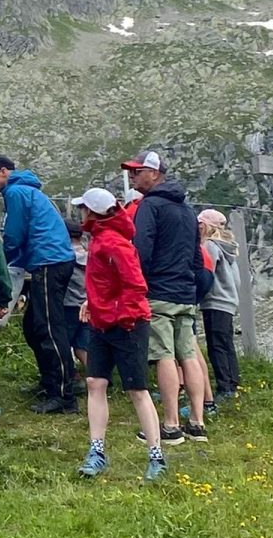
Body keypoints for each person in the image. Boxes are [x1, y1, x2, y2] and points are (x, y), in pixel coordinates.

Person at [70, 188, 167, 482]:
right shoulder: (101, 238)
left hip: (127, 325)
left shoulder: (113, 242)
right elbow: (108, 281)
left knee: (137, 390)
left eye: (83, 208)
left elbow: (135, 285)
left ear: (94, 212)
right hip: (104, 322)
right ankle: (96, 451)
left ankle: (156, 457)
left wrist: (116, 314)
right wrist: (93, 302)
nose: (80, 213)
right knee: (94, 382)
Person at [0, 156, 78, 413]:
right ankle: (50, 382)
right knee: (33, 326)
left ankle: (64, 395)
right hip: (51, 261)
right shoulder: (25, 190)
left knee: (49, 327)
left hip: (49, 263)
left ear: (3, 171)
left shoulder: (16, 191)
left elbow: (15, 235)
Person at [122, 150, 208, 444]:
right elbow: (197, 256)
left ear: (154, 174)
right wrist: (196, 287)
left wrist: (134, 286)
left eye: (137, 171)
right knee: (189, 355)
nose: (132, 176)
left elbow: (141, 250)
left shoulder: (150, 206)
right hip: (185, 292)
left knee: (164, 356)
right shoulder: (187, 209)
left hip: (158, 292)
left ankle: (170, 425)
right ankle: (197, 422)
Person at [197, 209, 242, 402]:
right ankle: (232, 382)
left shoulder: (210, 246)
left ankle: (225, 388)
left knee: (216, 346)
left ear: (206, 226)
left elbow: (207, 273)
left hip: (214, 300)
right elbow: (237, 280)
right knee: (226, 343)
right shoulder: (229, 247)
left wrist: (199, 293)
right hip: (228, 301)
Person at [65, 219, 91, 377]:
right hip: (86, 304)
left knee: (64, 342)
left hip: (68, 305)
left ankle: (70, 375)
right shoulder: (89, 254)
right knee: (82, 345)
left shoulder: (65, 256)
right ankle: (98, 374)